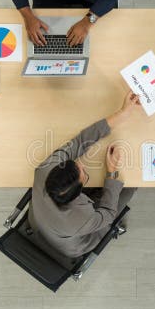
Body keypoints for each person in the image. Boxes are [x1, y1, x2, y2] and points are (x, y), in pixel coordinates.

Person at [28, 91, 140, 259]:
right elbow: (107, 213)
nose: (80, 162)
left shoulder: (46, 169)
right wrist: (111, 172)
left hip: (41, 222)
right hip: (73, 242)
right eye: (82, 172)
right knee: (130, 184)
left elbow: (79, 142)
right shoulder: (82, 219)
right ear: (77, 195)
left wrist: (122, 113)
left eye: (74, 164)